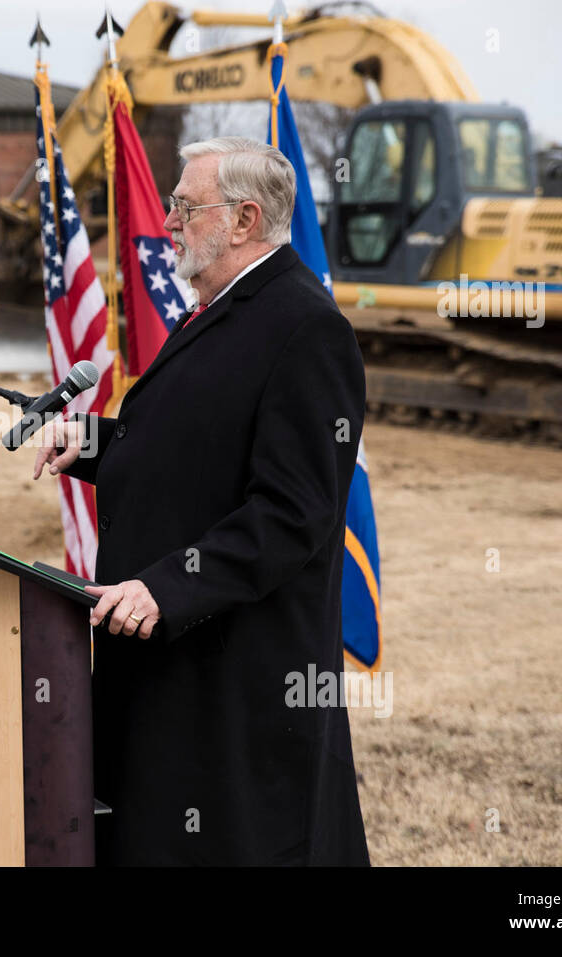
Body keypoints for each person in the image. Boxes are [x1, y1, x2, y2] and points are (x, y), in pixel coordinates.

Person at [32, 137, 371, 865]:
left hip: (235, 670)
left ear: (245, 218)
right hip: (174, 660)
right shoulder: (221, 306)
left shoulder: (306, 327)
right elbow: (194, 443)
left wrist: (166, 585)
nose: (171, 222)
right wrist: (91, 445)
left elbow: (294, 510)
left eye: (186, 206)